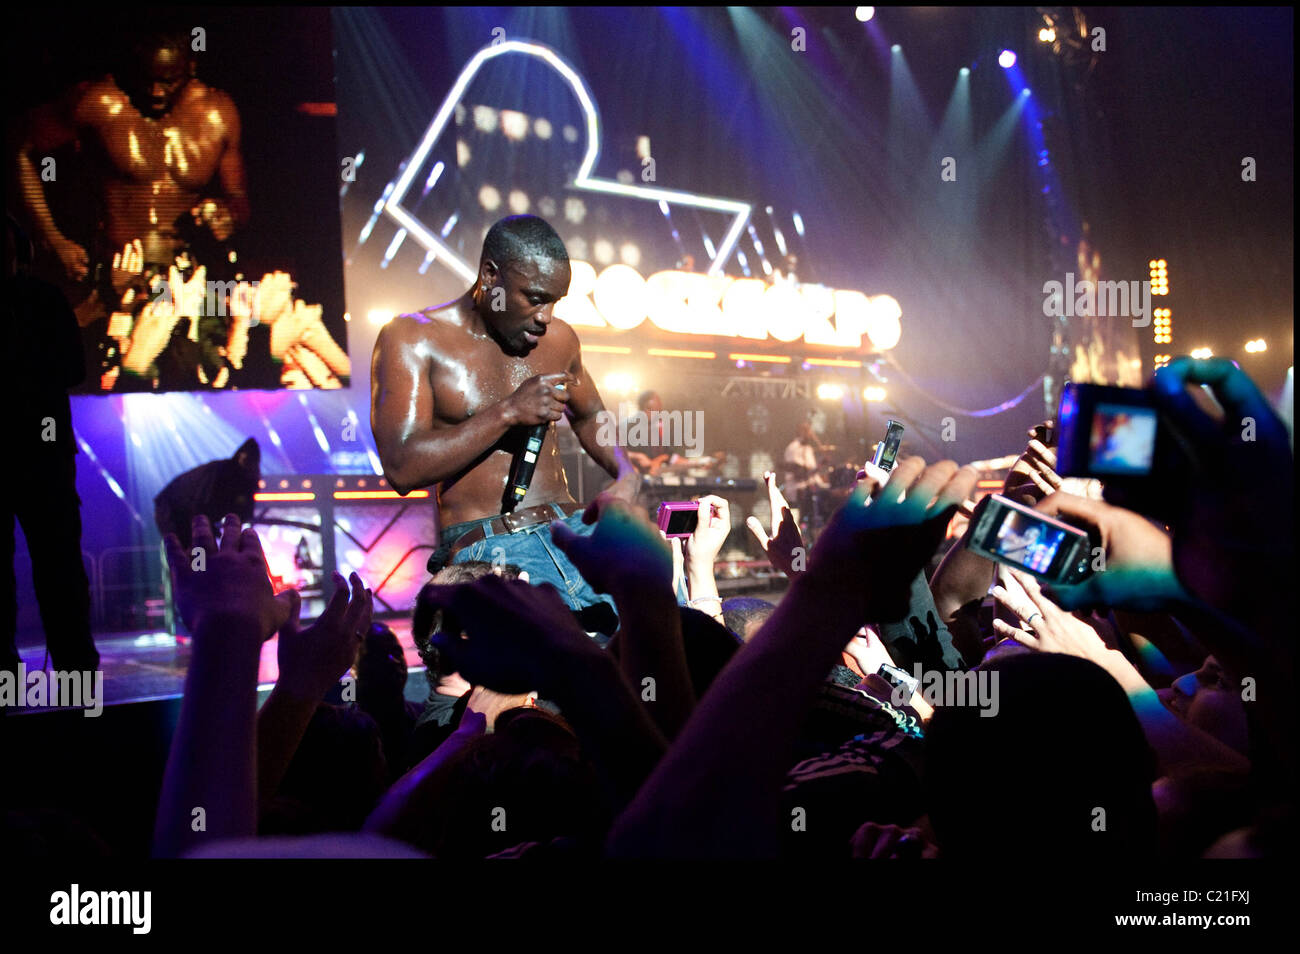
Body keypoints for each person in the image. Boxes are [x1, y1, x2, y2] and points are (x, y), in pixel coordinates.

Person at [371, 214, 639, 633]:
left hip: (573, 530)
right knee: (538, 686)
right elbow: (402, 468)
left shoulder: (560, 341)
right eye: (534, 298)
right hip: (488, 547)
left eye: (554, 301)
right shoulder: (414, 339)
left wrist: (625, 471)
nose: (545, 317)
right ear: (490, 275)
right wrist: (507, 413)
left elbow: (589, 415)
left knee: (664, 645)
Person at [14, 27, 249, 389]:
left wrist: (226, 214)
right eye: (147, 79)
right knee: (100, 387)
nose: (156, 92)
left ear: (190, 67)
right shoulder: (100, 103)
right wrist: (52, 239)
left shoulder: (218, 114)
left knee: (200, 387)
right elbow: (21, 150)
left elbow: (240, 200)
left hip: (183, 287)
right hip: (113, 278)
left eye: (168, 81)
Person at [1, 215, 98, 676]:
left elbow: (74, 369)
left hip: (44, 459)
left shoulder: (43, 299)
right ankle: (70, 672)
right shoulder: (45, 298)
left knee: (59, 567)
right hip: (42, 457)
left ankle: (75, 668)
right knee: (57, 567)